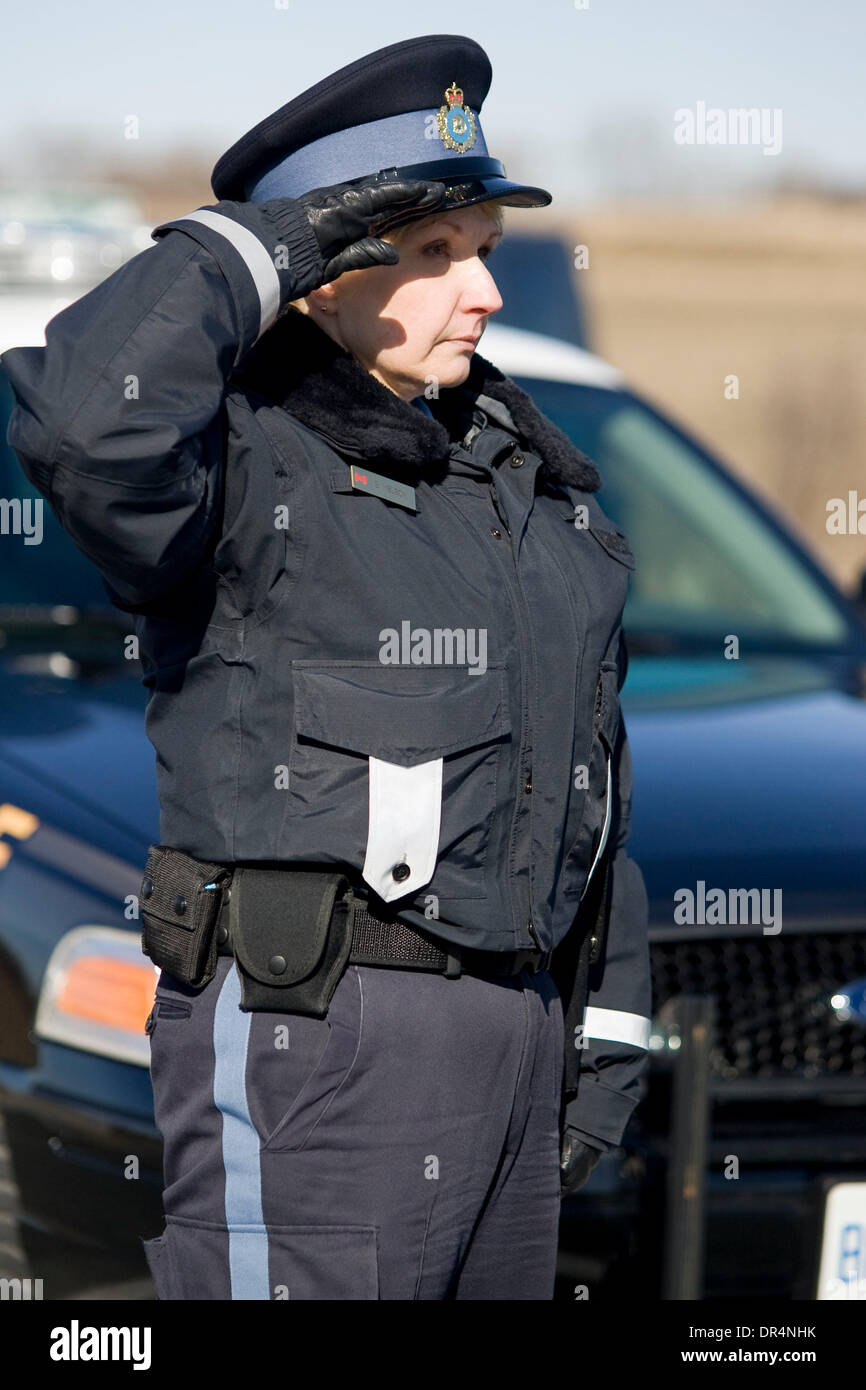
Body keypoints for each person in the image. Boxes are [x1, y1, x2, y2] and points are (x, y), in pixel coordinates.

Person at [1, 32, 652, 1300]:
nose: (484, 295)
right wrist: (263, 241)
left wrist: (600, 1050)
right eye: (431, 253)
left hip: (514, 1056)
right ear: (324, 276)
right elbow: (85, 426)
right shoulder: (249, 466)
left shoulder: (527, 487)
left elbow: (593, 786)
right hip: (326, 1049)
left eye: (481, 253)